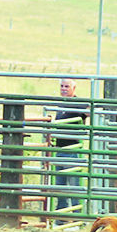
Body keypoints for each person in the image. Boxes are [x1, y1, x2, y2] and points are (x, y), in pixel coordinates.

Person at [47, 78, 87, 218]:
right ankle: (62, 217)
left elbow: (88, 111)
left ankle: (78, 216)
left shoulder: (78, 103)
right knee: (60, 186)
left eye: (67, 86)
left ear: (74, 88)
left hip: (72, 150)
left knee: (74, 186)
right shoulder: (61, 105)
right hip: (60, 149)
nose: (64, 89)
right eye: (62, 86)